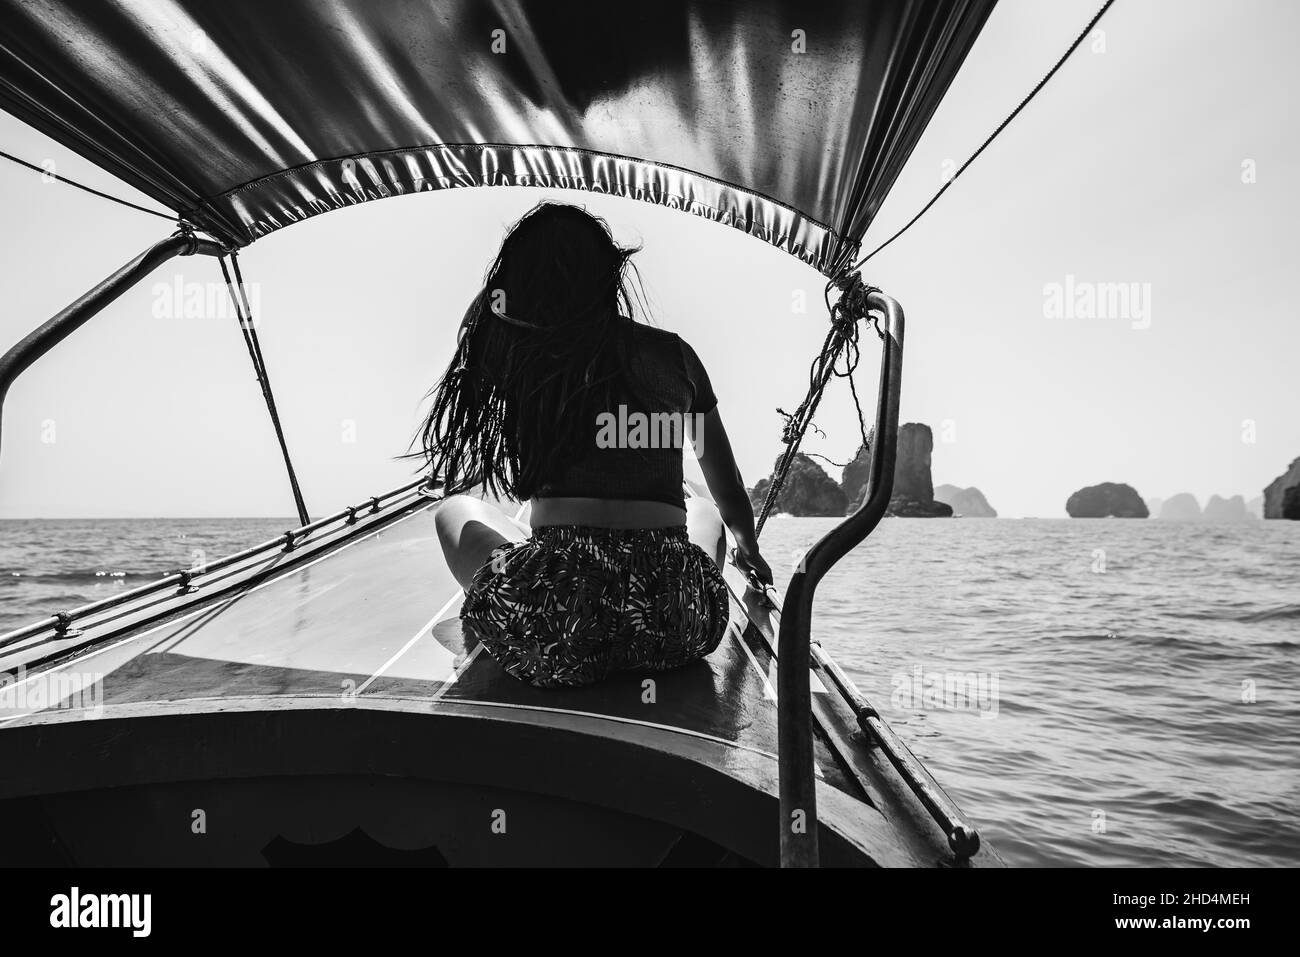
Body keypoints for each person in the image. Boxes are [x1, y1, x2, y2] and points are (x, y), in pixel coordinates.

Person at [416, 201, 772, 688]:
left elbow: (472, 330)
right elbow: (725, 481)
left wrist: (514, 287)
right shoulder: (674, 355)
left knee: (454, 510)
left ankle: (550, 557)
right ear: (613, 276)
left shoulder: (521, 354)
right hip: (674, 621)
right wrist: (747, 548)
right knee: (705, 510)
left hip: (554, 627)